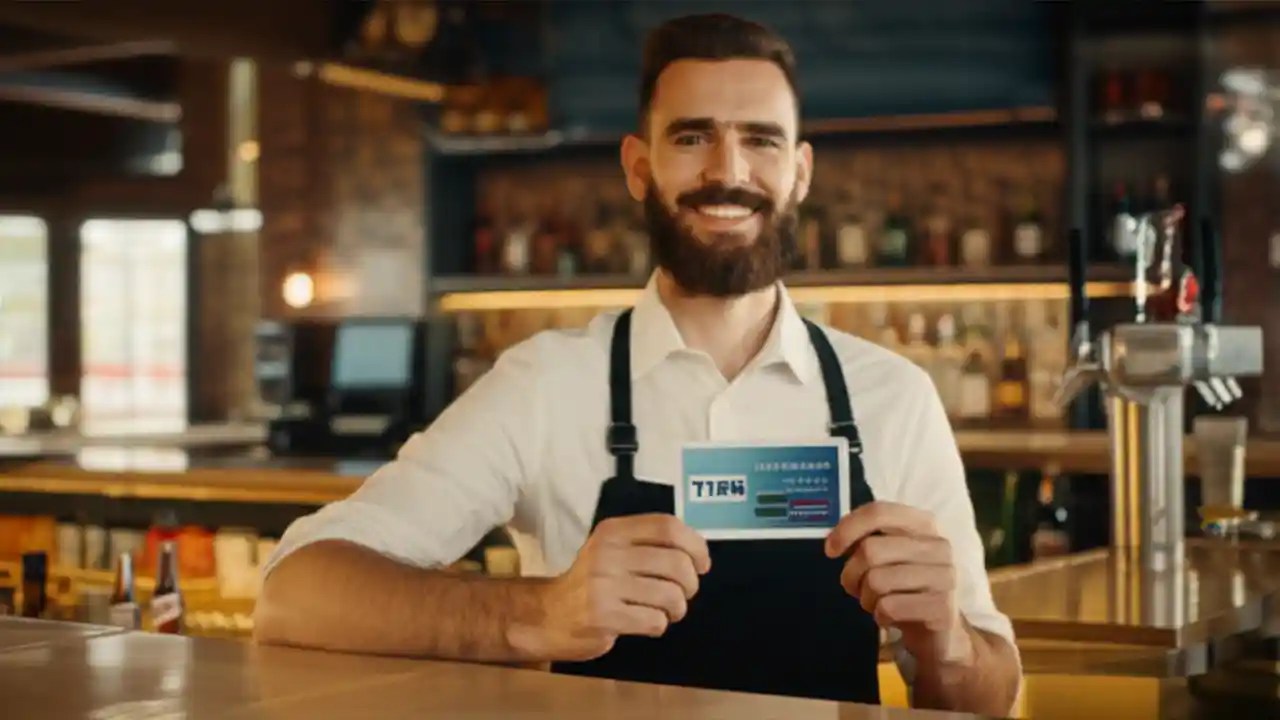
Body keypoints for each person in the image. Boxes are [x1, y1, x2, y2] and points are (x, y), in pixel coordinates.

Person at [254, 13, 1021, 715]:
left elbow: (990, 691)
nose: (729, 170)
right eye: (692, 138)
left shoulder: (894, 397)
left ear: (801, 171)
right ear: (638, 167)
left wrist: (946, 640)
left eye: (761, 139)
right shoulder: (548, 385)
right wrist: (540, 613)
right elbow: (296, 593)